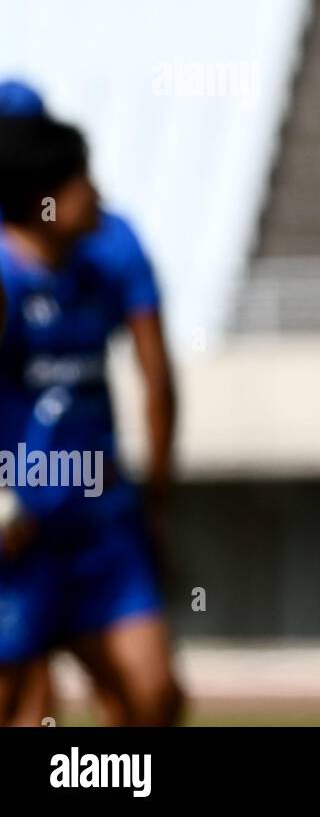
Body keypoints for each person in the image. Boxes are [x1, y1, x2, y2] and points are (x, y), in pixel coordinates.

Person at [0, 106, 181, 726]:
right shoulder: (4, 282)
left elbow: (155, 372)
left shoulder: (92, 270)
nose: (97, 194)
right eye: (82, 180)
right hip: (21, 535)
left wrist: (151, 500)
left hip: (101, 524)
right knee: (19, 708)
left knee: (153, 696)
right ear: (42, 197)